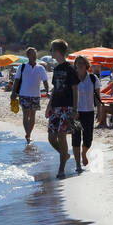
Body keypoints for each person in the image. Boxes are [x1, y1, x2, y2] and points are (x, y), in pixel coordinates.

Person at [45, 40, 79, 178]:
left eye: (51, 49)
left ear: (57, 51)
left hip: (67, 106)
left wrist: (75, 109)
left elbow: (75, 88)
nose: (50, 52)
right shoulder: (57, 69)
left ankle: (61, 169)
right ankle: (65, 155)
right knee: (51, 137)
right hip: (56, 106)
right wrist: (49, 105)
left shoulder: (70, 68)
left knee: (61, 135)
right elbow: (55, 89)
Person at [11, 47, 49, 143]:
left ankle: (28, 134)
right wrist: (13, 93)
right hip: (24, 94)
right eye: (32, 54)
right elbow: (17, 80)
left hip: (36, 95)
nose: (34, 56)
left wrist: (47, 90)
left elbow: (45, 80)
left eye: (35, 54)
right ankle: (28, 134)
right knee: (26, 114)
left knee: (33, 115)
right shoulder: (22, 67)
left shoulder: (41, 68)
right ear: (28, 56)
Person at [71, 55, 99, 172]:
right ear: (75, 65)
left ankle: (84, 153)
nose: (80, 64)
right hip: (76, 113)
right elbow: (69, 96)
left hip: (89, 111)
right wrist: (72, 111)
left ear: (87, 65)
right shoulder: (72, 79)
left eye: (82, 62)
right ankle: (78, 164)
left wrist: (100, 111)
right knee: (76, 138)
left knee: (88, 138)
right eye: (78, 63)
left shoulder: (93, 78)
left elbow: (98, 97)